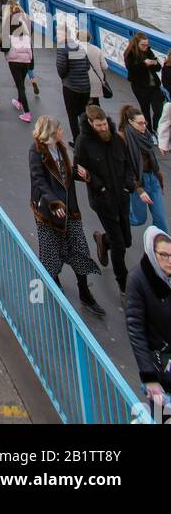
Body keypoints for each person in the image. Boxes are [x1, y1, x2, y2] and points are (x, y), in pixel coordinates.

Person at [29, 116, 104, 317]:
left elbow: (68, 174)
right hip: (48, 212)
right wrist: (53, 202)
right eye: (59, 129)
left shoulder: (62, 149)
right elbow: (39, 180)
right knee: (50, 252)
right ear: (51, 133)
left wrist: (83, 175)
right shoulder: (36, 151)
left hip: (70, 209)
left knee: (80, 249)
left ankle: (84, 292)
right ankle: (54, 282)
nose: (62, 132)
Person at [74, 104, 144, 300]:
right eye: (99, 125)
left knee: (127, 241)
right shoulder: (83, 143)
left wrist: (129, 184)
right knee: (120, 245)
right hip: (103, 201)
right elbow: (77, 171)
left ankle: (102, 240)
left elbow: (127, 165)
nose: (103, 128)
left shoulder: (116, 139)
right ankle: (123, 284)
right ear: (90, 123)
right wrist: (97, 184)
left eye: (104, 124)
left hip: (121, 198)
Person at [125, 227, 171, 407]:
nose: (169, 261)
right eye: (163, 255)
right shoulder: (137, 279)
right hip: (159, 363)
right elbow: (135, 330)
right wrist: (149, 376)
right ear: (153, 253)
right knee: (162, 412)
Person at [120, 105, 168, 234]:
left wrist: (158, 176)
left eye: (145, 122)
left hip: (153, 179)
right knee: (138, 219)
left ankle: (163, 252)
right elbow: (127, 169)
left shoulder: (146, 134)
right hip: (138, 183)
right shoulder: (123, 138)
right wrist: (140, 190)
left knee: (161, 221)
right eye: (140, 123)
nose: (144, 126)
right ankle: (114, 227)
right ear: (130, 122)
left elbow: (152, 159)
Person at [56, 28, 94, 147]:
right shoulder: (78, 47)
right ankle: (87, 138)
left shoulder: (63, 48)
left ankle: (78, 142)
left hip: (71, 87)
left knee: (72, 115)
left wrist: (65, 78)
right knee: (83, 114)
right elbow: (87, 66)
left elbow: (61, 67)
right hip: (85, 87)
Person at [124, 34, 166, 136]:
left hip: (154, 85)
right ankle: (149, 132)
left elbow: (158, 68)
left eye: (147, 45)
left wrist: (155, 64)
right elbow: (132, 70)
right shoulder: (130, 54)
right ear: (136, 43)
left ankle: (156, 128)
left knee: (159, 109)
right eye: (143, 45)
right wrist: (144, 64)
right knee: (145, 109)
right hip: (140, 87)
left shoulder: (148, 51)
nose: (145, 47)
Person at [6, 2, 35, 123]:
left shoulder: (9, 35)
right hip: (26, 61)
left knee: (20, 86)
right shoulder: (27, 36)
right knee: (21, 82)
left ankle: (27, 113)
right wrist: (32, 63)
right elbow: (30, 50)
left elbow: (4, 47)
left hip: (14, 61)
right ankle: (18, 101)